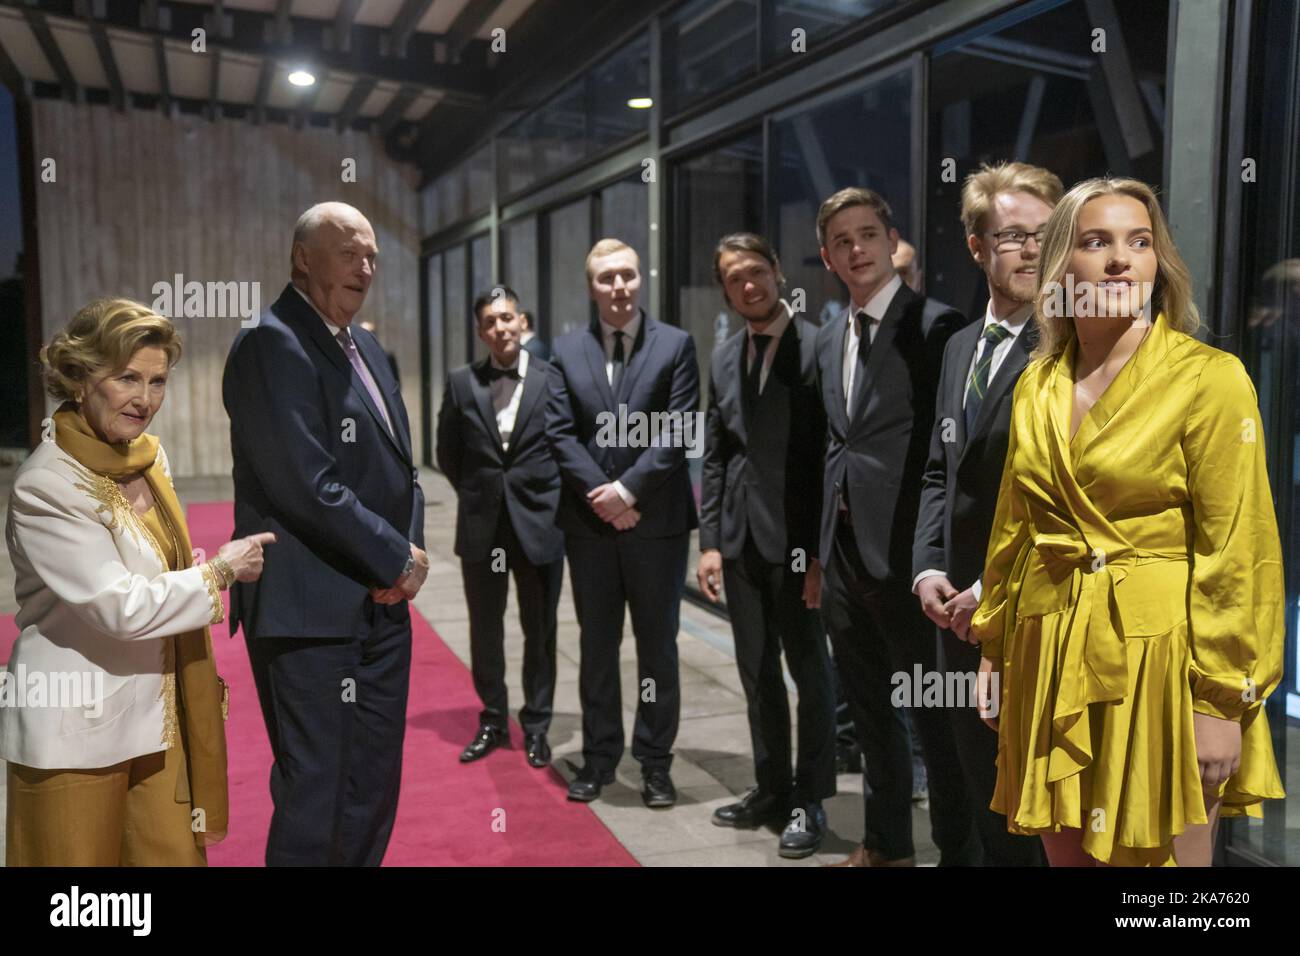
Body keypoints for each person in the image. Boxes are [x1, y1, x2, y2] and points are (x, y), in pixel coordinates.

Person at [970, 177, 1286, 866]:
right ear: (1062, 267)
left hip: (1161, 659)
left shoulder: (1209, 378)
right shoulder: (1038, 382)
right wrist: (994, 644)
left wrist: (1222, 701)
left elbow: (1240, 550)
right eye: (1096, 242)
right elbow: (1014, 527)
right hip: (1048, 646)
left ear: (1158, 263)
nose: (1121, 260)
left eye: (1139, 242)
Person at [2, 298, 271, 866]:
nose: (144, 399)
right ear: (78, 378)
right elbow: (120, 605)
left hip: (155, 713)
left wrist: (192, 568)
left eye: (156, 380)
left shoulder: (147, 458)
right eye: (126, 377)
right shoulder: (45, 485)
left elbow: (154, 569)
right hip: (74, 729)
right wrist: (220, 571)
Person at [222, 201, 428, 866]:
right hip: (309, 614)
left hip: (380, 606)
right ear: (302, 258)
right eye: (349, 252)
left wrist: (402, 562)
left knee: (372, 784)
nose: (365, 267)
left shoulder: (366, 345)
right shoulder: (269, 342)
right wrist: (396, 556)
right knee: (316, 793)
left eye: (372, 255)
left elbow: (403, 471)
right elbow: (306, 486)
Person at [812, 186, 977, 867]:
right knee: (872, 713)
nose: (857, 249)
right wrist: (818, 555)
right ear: (828, 257)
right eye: (843, 241)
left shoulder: (939, 328)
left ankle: (956, 853)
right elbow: (833, 445)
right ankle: (885, 843)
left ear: (890, 239)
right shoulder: (827, 335)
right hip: (845, 555)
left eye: (868, 234)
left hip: (913, 563)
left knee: (936, 723)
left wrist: (940, 556)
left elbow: (951, 454)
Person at [912, 161, 1062, 866]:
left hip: (1034, 616)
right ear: (977, 248)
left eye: (1045, 234)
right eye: (1013, 236)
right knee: (977, 799)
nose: (1032, 249)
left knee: (1034, 815)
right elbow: (941, 472)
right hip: (955, 619)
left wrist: (988, 590)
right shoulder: (957, 348)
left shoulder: (1076, 350)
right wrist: (928, 569)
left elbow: (1064, 501)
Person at [545, 238, 699, 808]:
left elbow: (680, 428)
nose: (618, 287)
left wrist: (629, 489)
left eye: (628, 276)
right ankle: (600, 757)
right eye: (607, 277)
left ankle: (655, 763)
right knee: (597, 646)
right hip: (590, 528)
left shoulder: (676, 345)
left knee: (657, 647)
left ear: (641, 280)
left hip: (654, 524)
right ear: (591, 286)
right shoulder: (564, 350)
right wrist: (603, 497)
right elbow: (559, 433)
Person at [697, 233, 837, 858]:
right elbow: (719, 454)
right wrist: (709, 544)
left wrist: (820, 556)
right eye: (733, 279)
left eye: (755, 271)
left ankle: (812, 800)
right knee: (756, 673)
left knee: (811, 675)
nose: (747, 285)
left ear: (777, 272)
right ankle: (771, 786)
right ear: (725, 290)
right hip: (739, 543)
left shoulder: (818, 348)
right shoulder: (724, 356)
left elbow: (829, 460)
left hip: (799, 548)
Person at [436, 286, 564, 769]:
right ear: (479, 331)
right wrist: (477, 491)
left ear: (522, 322)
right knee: (485, 630)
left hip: (539, 525)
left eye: (506, 319)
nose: (499, 329)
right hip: (481, 527)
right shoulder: (461, 382)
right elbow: (446, 451)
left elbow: (567, 445)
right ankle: (492, 719)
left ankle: (537, 726)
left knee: (541, 631)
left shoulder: (554, 379)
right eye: (489, 322)